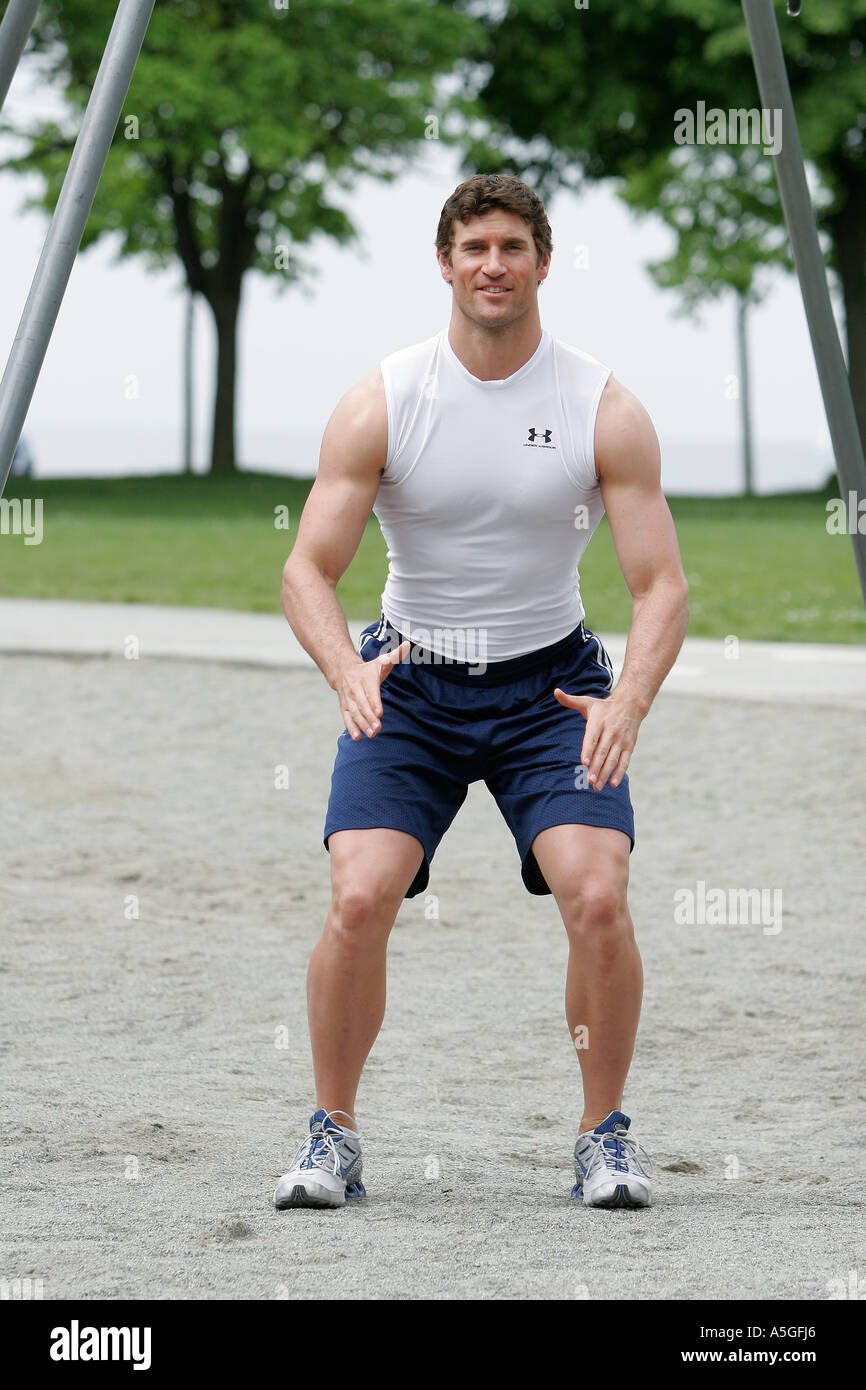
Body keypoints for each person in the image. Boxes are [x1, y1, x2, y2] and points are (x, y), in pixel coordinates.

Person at [275, 173, 689, 1212]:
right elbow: (304, 569)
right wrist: (346, 669)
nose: (492, 265)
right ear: (444, 264)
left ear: (542, 262)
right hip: (407, 683)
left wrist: (627, 701)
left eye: (511, 246)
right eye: (473, 249)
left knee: (595, 893)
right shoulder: (385, 398)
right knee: (358, 896)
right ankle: (332, 1135)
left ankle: (602, 1137)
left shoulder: (602, 406)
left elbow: (659, 585)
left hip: (551, 690)